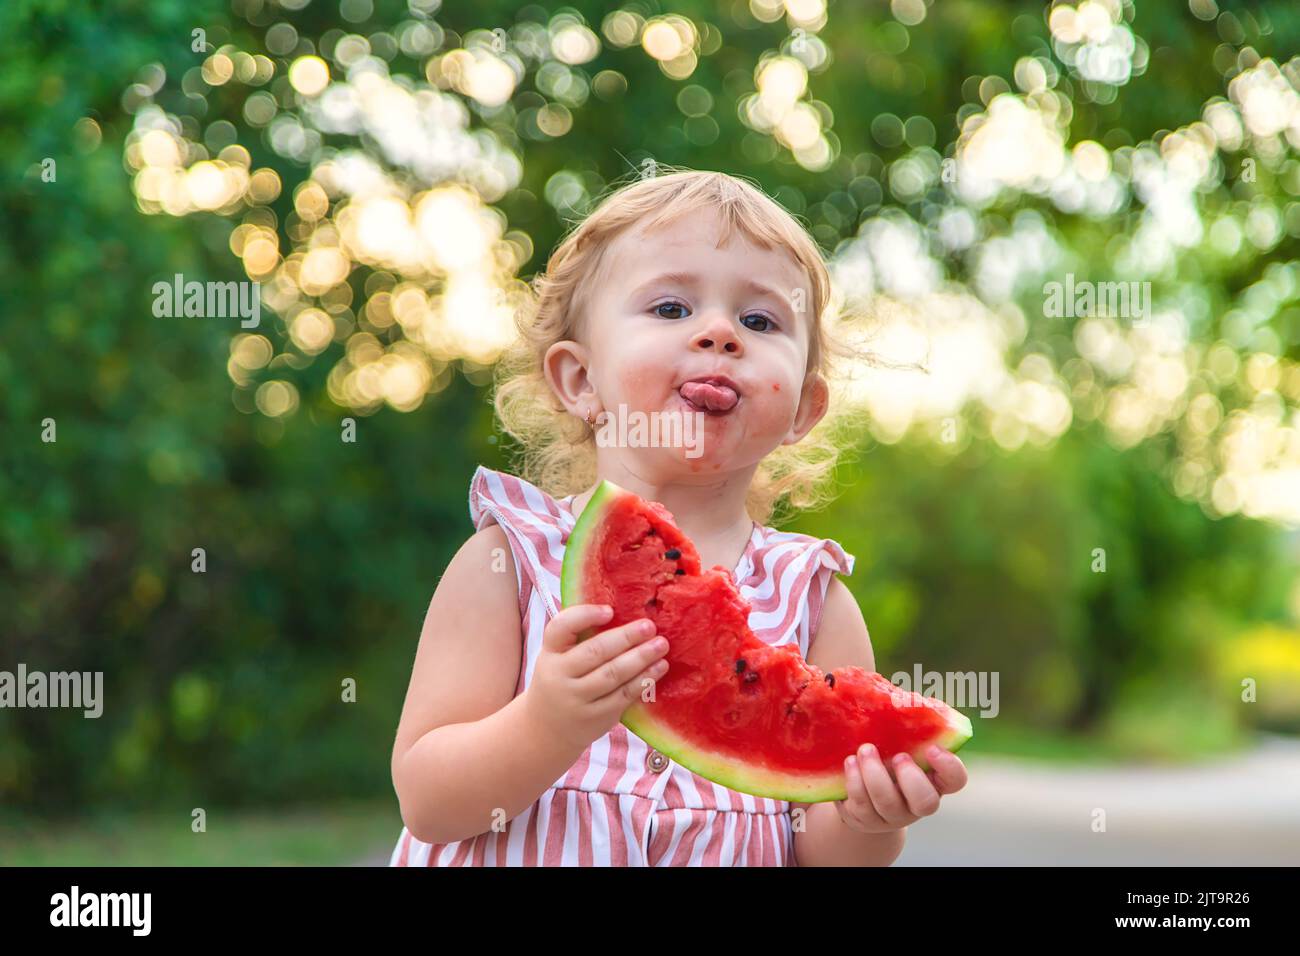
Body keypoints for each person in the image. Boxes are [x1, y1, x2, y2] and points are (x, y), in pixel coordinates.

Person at [388, 168, 967, 866]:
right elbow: (428, 802)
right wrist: (546, 723)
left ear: (804, 409)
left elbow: (823, 854)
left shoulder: (814, 599)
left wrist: (874, 820)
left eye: (760, 321)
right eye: (670, 309)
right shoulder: (508, 561)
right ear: (579, 380)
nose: (720, 333)